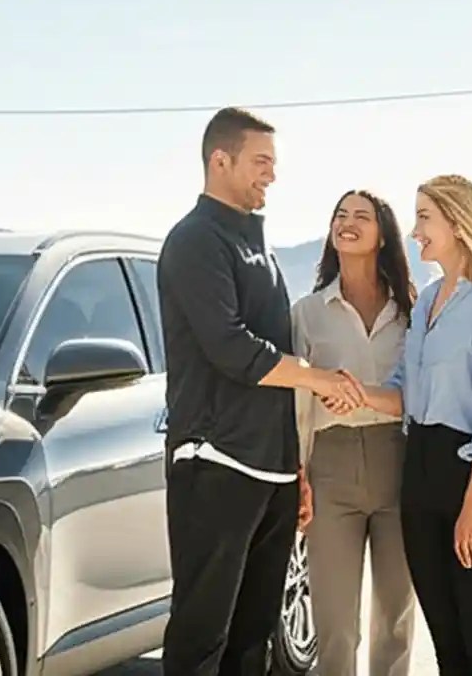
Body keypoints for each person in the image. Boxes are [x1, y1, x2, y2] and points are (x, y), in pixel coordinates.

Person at [156, 106, 364, 675]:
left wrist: (293, 467)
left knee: (253, 641)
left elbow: (268, 355)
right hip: (215, 463)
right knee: (203, 635)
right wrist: (319, 379)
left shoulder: (257, 247)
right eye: (260, 161)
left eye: (274, 163)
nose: (271, 174)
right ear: (219, 160)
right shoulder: (195, 241)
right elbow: (230, 347)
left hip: (269, 471)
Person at [350, 174, 472, 676]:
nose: (415, 231)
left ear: (458, 220)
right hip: (421, 484)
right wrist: (357, 393)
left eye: (425, 217)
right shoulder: (428, 300)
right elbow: (407, 392)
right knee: (450, 650)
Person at [292, 189, 417, 676]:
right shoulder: (307, 313)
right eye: (340, 215)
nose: (347, 222)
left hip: (399, 464)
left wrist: (362, 394)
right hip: (331, 466)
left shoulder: (413, 311)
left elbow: (424, 394)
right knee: (336, 622)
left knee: (396, 618)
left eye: (361, 216)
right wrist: (297, 471)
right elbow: (295, 403)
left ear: (382, 234)